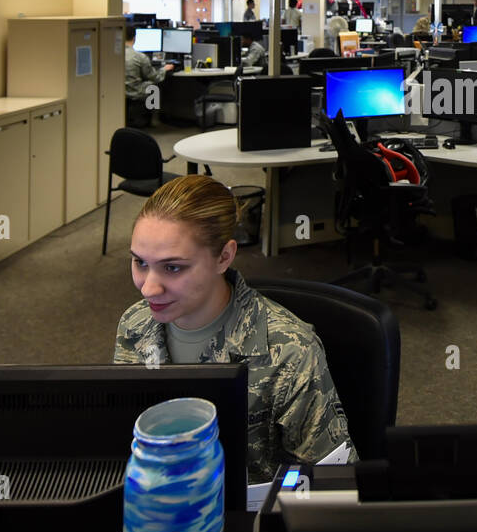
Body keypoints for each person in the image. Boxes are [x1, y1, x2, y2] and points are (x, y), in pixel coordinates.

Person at [113, 176, 357, 482]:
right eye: (140, 263)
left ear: (224, 257)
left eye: (172, 267)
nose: (148, 288)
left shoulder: (289, 351)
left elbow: (329, 480)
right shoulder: (134, 325)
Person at [124, 24, 173, 128]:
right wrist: (164, 69)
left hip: (120, 91)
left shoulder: (114, 54)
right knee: (154, 87)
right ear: (134, 38)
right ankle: (154, 119)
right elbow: (155, 77)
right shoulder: (139, 57)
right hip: (134, 91)